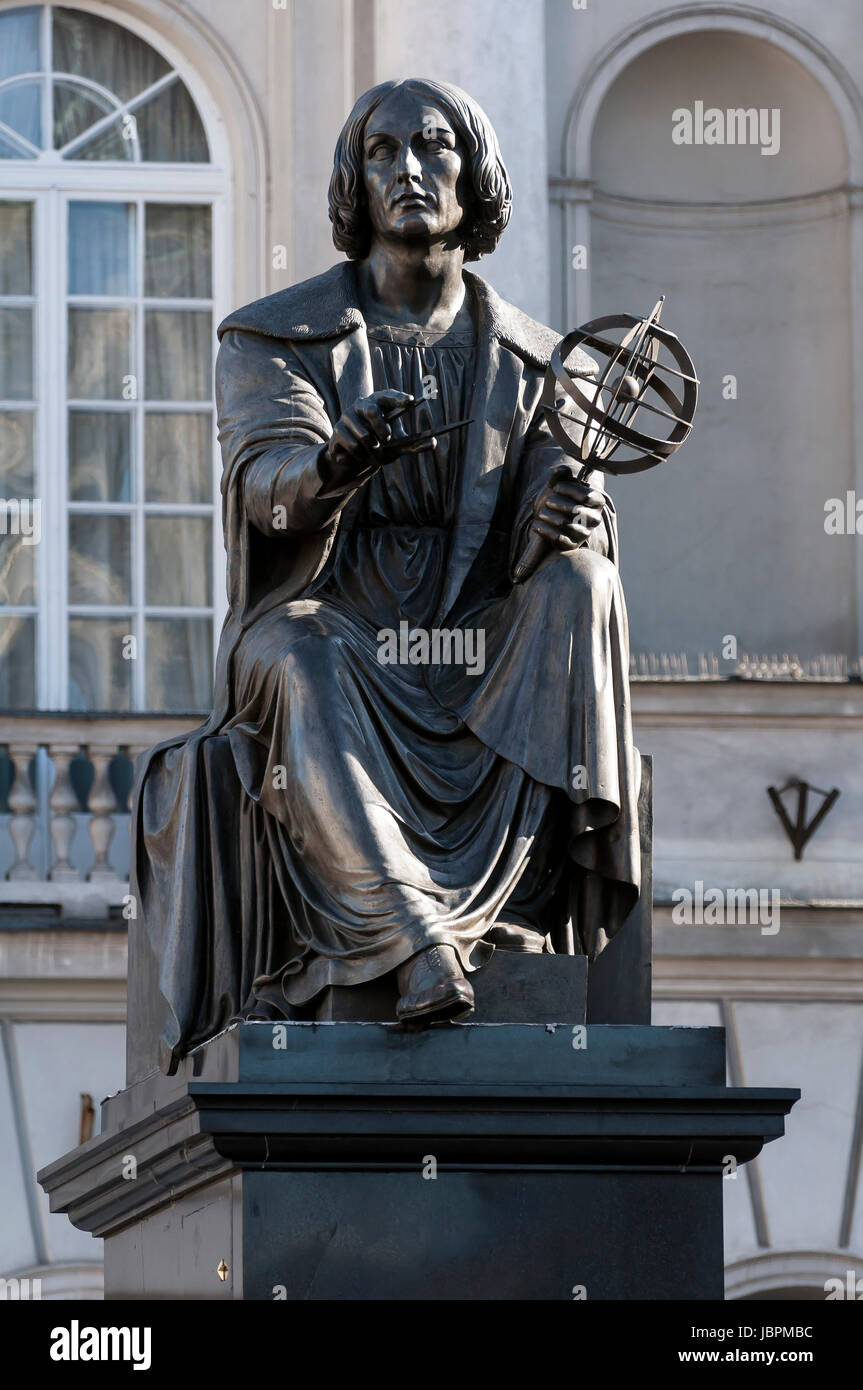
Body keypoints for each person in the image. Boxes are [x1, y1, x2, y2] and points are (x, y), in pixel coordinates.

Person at [132, 77, 640, 1074]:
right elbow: (265, 493)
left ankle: (540, 910)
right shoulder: (276, 338)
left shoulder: (539, 364)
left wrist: (569, 522)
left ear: (475, 173)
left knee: (585, 586)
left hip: (475, 655)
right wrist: (334, 463)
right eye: (381, 151)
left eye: (434, 145)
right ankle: (413, 943)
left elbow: (554, 511)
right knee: (294, 648)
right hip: (336, 636)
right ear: (353, 183)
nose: (408, 167)